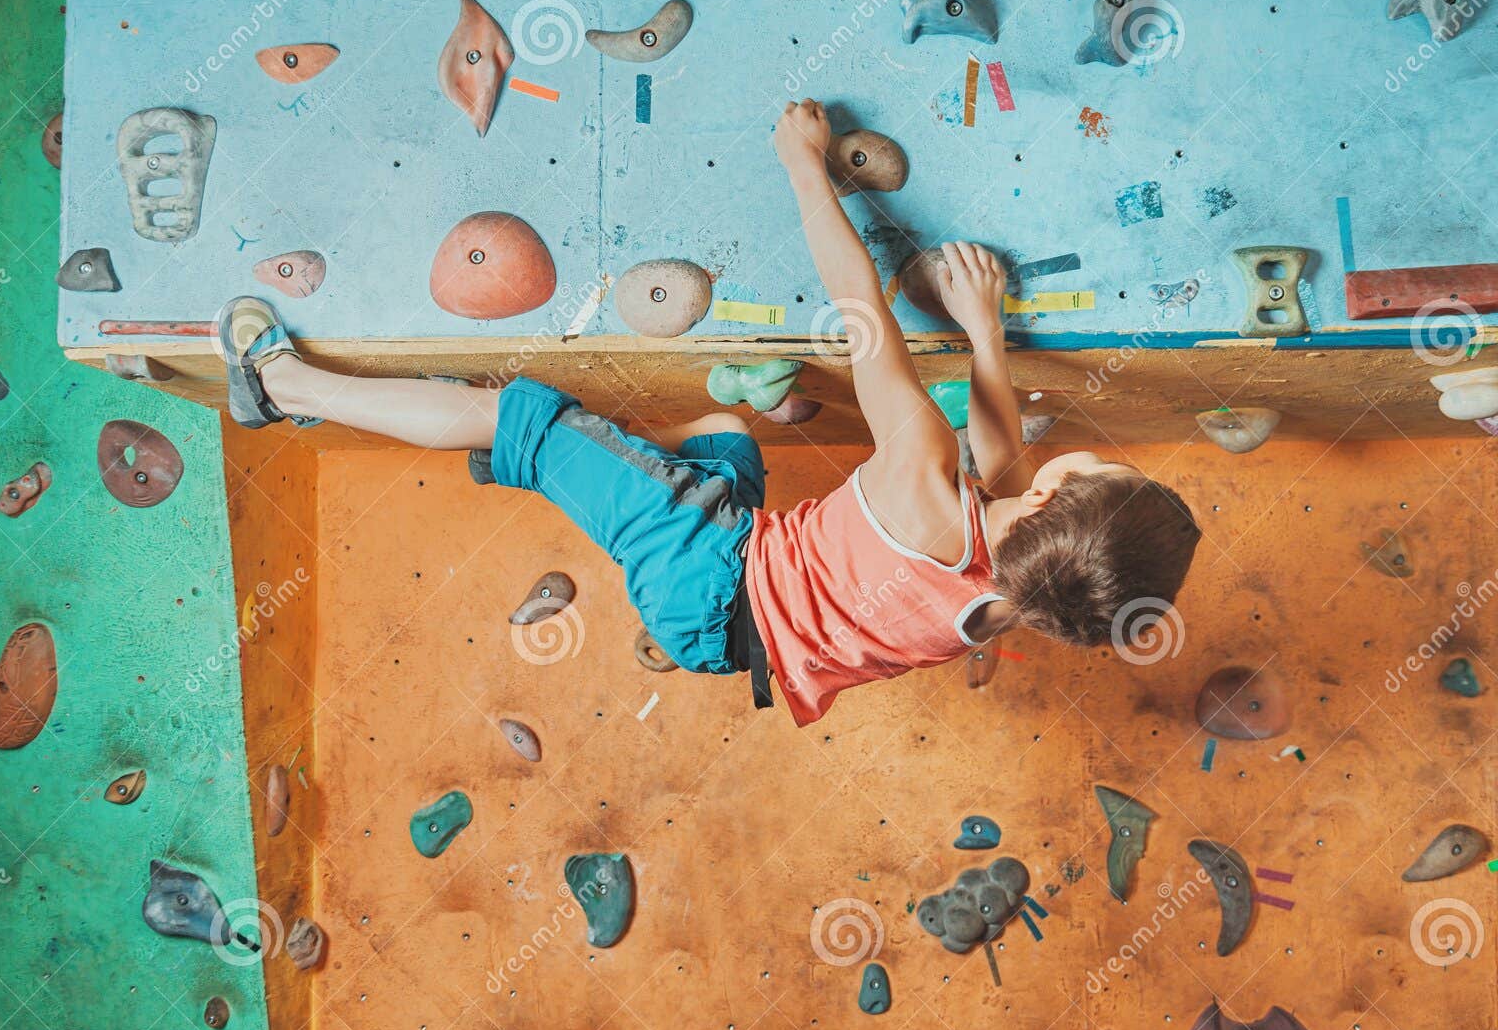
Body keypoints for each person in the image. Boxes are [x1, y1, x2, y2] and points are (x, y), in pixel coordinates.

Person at [215, 98, 1200, 726]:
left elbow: (860, 310)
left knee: (517, 412)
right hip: (732, 643)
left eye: (1099, 470)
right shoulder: (1017, 593)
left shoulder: (921, 472)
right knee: (725, 438)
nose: (1083, 461)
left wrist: (803, 164)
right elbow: (1005, 465)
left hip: (707, 567)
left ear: (1061, 495)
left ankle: (277, 388)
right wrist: (983, 330)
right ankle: (553, 461)